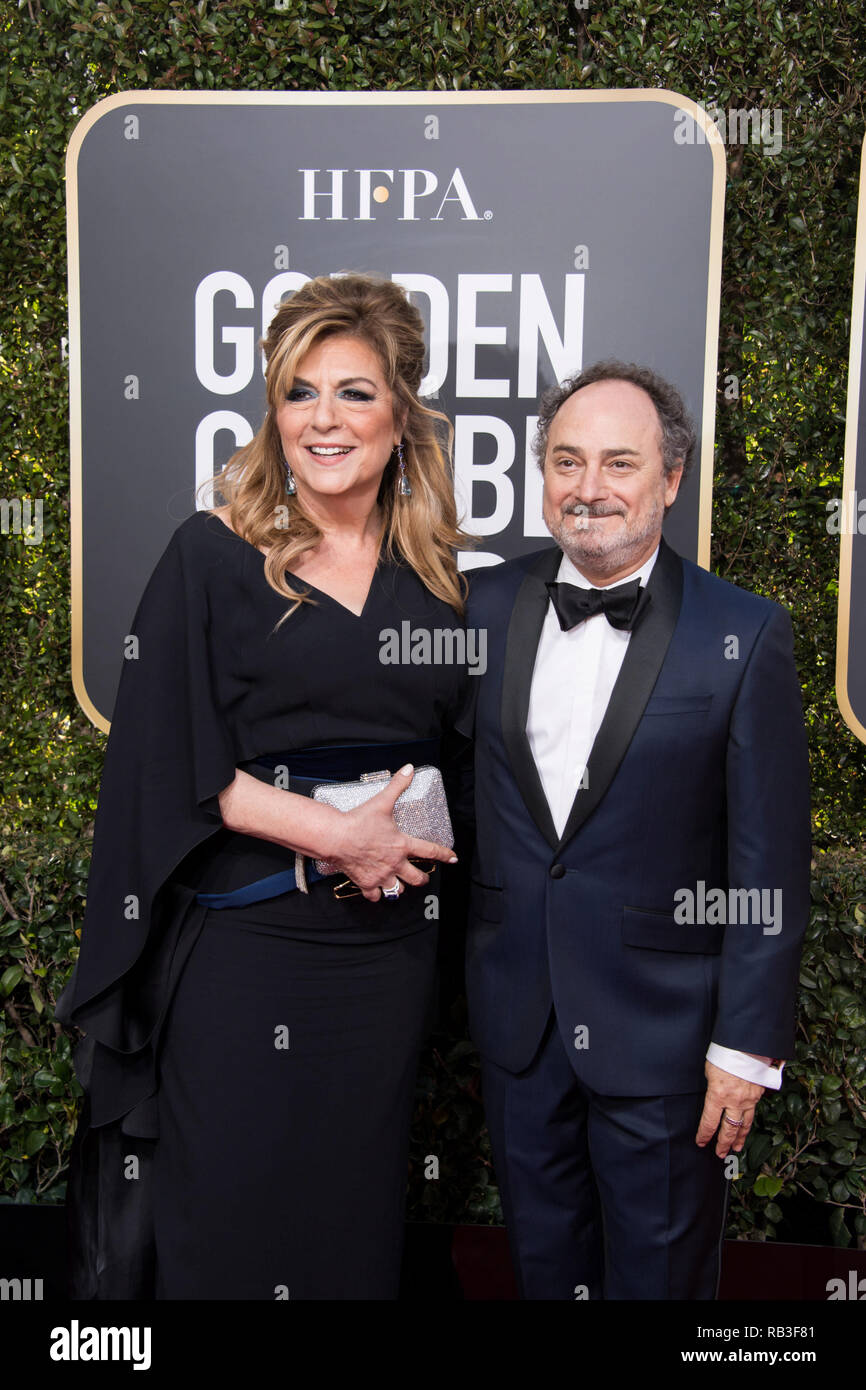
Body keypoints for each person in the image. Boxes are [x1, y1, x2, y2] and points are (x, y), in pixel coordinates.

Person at [57, 272, 473, 1300]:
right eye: (300, 392)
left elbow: (456, 753)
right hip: (247, 956)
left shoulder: (444, 581)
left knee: (350, 1223)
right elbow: (168, 760)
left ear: (400, 413)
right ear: (273, 413)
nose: (323, 419)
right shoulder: (210, 555)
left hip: (384, 959)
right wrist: (339, 836)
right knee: (230, 1218)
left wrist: (400, 838)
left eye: (354, 392)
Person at [459, 360, 811, 1300]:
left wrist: (745, 1050)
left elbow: (768, 862)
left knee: (661, 1283)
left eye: (620, 462)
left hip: (667, 1044)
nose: (589, 488)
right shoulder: (481, 609)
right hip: (519, 1030)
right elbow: (442, 780)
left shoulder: (744, 635)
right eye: (567, 462)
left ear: (671, 480)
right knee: (544, 1271)